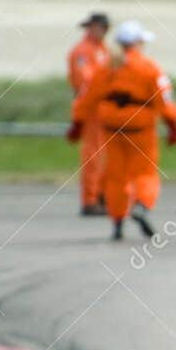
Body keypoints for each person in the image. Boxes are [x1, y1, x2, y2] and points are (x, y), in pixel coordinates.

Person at [73, 20, 176, 242]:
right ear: (138, 43)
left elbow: (88, 96)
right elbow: (164, 96)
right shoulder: (150, 67)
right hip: (140, 128)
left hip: (112, 127)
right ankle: (141, 206)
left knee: (116, 175)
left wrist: (77, 123)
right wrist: (173, 124)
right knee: (145, 172)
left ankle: (117, 222)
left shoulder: (106, 67)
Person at [65, 12, 112, 217]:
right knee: (92, 154)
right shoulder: (83, 51)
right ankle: (90, 200)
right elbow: (86, 81)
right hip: (90, 108)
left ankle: (103, 194)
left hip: (106, 108)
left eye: (100, 27)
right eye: (93, 27)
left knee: (107, 154)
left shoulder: (104, 50)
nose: (96, 31)